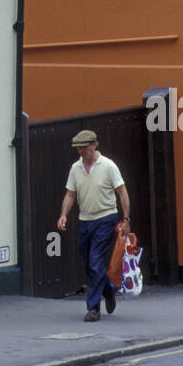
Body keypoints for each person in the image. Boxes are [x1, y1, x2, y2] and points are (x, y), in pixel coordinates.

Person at [56, 129, 131, 322]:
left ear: (95, 145)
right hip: (85, 219)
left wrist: (126, 220)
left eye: (84, 147)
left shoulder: (108, 166)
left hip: (106, 218)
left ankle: (93, 308)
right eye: (78, 148)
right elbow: (70, 194)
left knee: (96, 260)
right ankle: (108, 290)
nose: (81, 151)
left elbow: (122, 192)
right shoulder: (75, 168)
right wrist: (64, 214)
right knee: (89, 264)